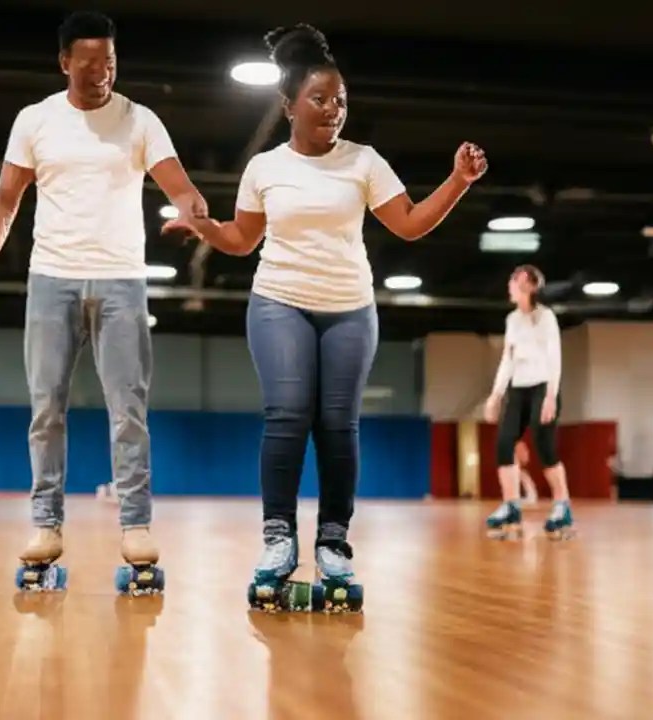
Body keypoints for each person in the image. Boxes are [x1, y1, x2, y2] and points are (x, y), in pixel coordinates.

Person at [164, 23, 487, 608]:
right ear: (288, 105)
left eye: (340, 100)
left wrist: (458, 181)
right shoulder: (265, 167)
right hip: (278, 301)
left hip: (349, 308)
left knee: (338, 424)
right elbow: (242, 239)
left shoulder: (363, 162)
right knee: (288, 414)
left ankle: (334, 541)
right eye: (320, 99)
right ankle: (278, 539)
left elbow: (410, 223)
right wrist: (203, 227)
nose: (333, 110)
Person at [0, 11, 208, 593]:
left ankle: (136, 523)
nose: (101, 74)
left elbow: (180, 184)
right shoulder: (35, 120)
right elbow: (4, 200)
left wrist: (193, 211)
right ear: (65, 61)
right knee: (46, 407)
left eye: (111, 62)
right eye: (89, 63)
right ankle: (45, 524)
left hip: (122, 279)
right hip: (52, 278)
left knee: (130, 409)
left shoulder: (140, 120)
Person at [483, 265, 575, 539]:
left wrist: (550, 395)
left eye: (514, 280)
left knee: (544, 443)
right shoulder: (513, 320)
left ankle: (562, 506)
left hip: (542, 386)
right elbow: (507, 360)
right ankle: (511, 505)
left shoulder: (546, 318)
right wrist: (496, 395)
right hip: (519, 388)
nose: (509, 285)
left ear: (529, 286)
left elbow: (554, 358)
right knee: (503, 442)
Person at [514, 440, 539, 505]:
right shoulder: (513, 476)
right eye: (523, 450)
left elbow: (533, 499)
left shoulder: (523, 474)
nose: (527, 452)